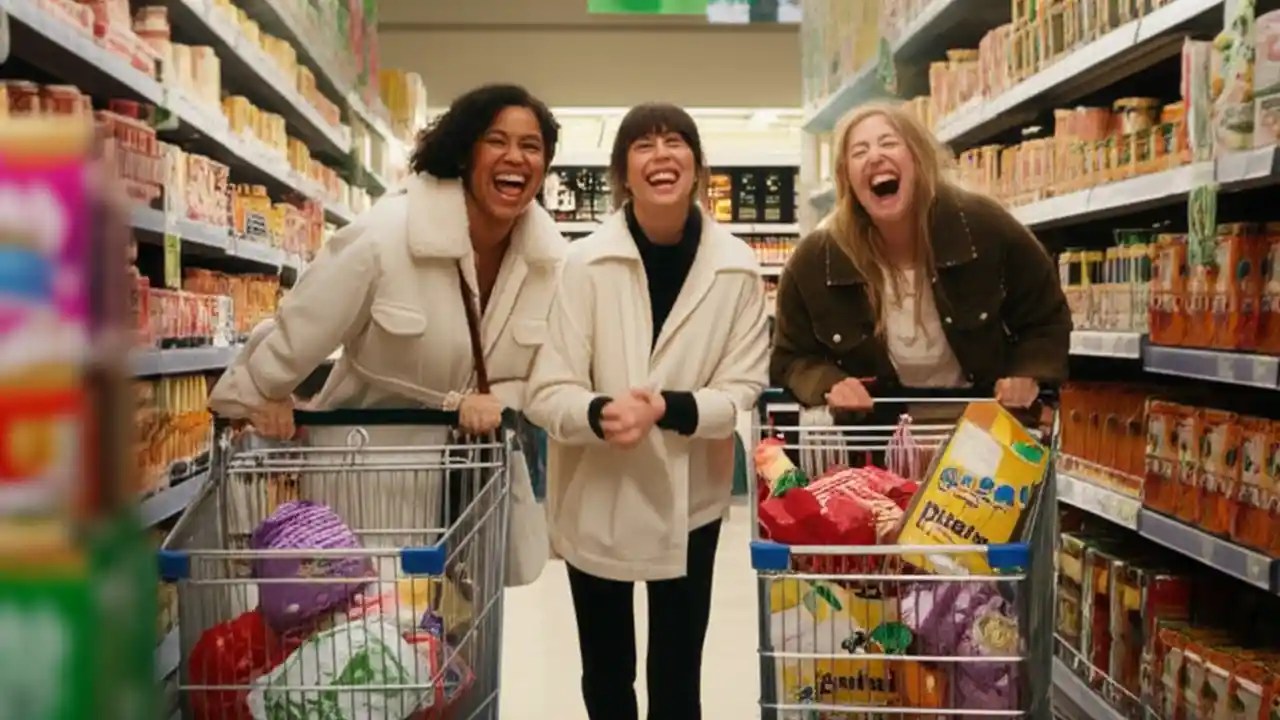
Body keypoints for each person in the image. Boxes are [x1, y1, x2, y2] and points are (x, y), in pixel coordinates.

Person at [524, 103, 769, 720]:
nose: (662, 153)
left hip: (692, 499)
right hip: (599, 491)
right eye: (643, 145)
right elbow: (547, 389)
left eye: (676, 141)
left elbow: (742, 386)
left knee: (678, 676)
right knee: (606, 675)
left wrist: (669, 407)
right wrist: (601, 411)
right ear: (623, 175)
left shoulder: (737, 268)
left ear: (696, 166)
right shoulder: (584, 264)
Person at [208, 83, 565, 435]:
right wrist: (262, 393)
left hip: (484, 478)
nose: (516, 157)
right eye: (496, 141)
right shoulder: (388, 233)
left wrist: (494, 400)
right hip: (372, 467)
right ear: (463, 154)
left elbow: (552, 378)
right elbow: (307, 320)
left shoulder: (551, 264)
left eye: (531, 146)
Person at [771, 102, 1071, 416]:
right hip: (878, 436)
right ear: (846, 178)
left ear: (918, 158)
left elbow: (1045, 315)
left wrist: (1027, 371)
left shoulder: (983, 227)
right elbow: (790, 358)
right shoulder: (817, 259)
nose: (875, 156)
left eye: (888, 143)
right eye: (859, 152)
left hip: (984, 428)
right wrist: (828, 383)